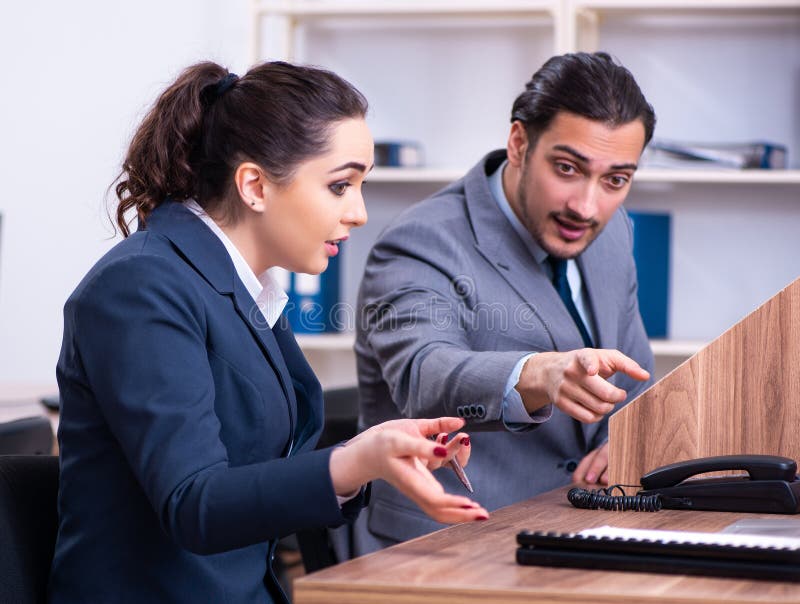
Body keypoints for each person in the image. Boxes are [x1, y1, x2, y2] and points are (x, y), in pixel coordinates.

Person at [49, 60, 488, 604]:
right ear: (255, 185)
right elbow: (195, 504)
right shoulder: (140, 287)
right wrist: (356, 461)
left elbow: (255, 474)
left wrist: (369, 453)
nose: (358, 213)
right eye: (339, 186)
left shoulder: (239, 285)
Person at [352, 52, 656, 554]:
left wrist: (623, 440)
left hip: (578, 528)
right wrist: (535, 374)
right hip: (444, 546)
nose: (587, 205)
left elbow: (634, 375)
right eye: (566, 168)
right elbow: (423, 374)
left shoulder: (612, 233)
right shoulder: (422, 240)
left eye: (615, 180)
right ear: (519, 144)